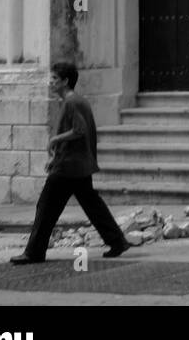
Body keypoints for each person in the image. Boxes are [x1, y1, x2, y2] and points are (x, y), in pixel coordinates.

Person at [11, 62, 131, 264]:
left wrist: (54, 140)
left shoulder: (71, 102)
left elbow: (79, 130)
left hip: (69, 167)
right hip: (77, 165)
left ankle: (34, 252)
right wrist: (56, 157)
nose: (51, 82)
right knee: (92, 204)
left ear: (65, 81)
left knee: (46, 207)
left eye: (55, 79)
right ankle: (117, 241)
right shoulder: (76, 101)